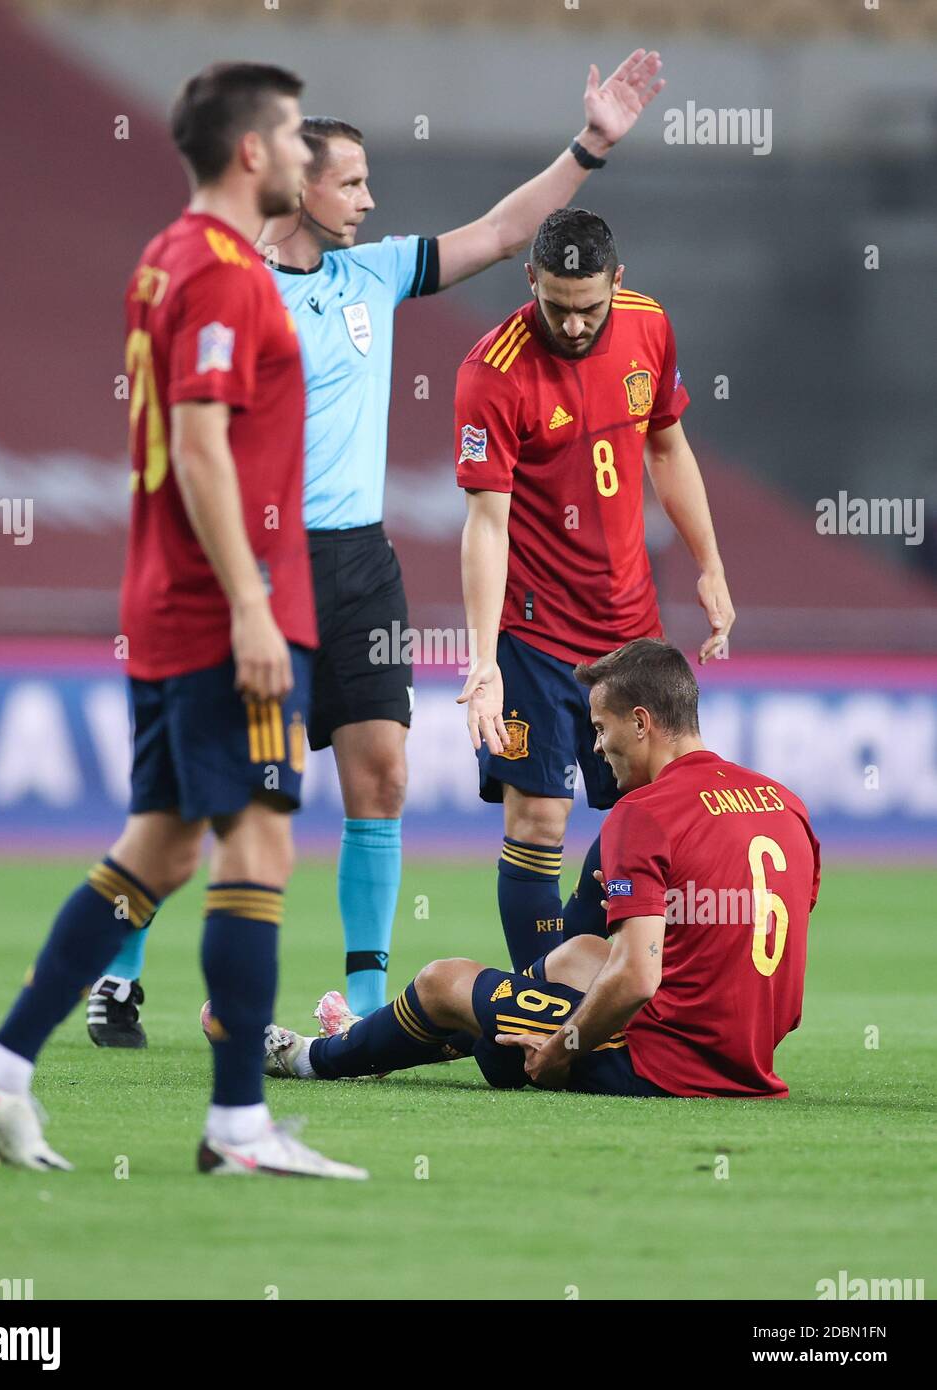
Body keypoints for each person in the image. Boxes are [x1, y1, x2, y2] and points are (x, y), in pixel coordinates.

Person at [96, 49, 668, 1041]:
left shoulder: (374, 271)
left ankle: (364, 1000)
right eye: (351, 181)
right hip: (262, 564)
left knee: (382, 775)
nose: (368, 198)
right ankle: (120, 968)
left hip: (358, 566)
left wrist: (588, 148)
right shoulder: (236, 287)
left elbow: (498, 230)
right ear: (298, 184)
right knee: (204, 792)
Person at [0, 61, 366, 1180]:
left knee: (162, 844)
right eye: (289, 137)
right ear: (250, 155)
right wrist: (250, 607)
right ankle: (236, 1125)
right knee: (260, 837)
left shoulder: (167, 258)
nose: (306, 158)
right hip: (223, 608)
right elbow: (203, 442)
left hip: (164, 601)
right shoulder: (224, 274)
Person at [266, 639, 818, 1101]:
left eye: (601, 728)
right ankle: (413, 1040)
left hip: (666, 1066)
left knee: (443, 981)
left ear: (643, 723)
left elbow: (637, 977)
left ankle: (313, 1058)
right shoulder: (784, 803)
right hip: (747, 1053)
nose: (597, 747)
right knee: (579, 952)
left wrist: (561, 1050)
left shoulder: (645, 814)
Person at [455, 207, 736, 970]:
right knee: (539, 820)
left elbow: (668, 447)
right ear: (529, 281)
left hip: (630, 636)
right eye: (555, 306)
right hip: (536, 636)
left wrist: (709, 562)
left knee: (645, 819)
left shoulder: (650, 326)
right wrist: (483, 661)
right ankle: (536, 1003)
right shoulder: (492, 372)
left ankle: (619, 990)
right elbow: (485, 524)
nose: (573, 325)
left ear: (618, 280)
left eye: (588, 307)